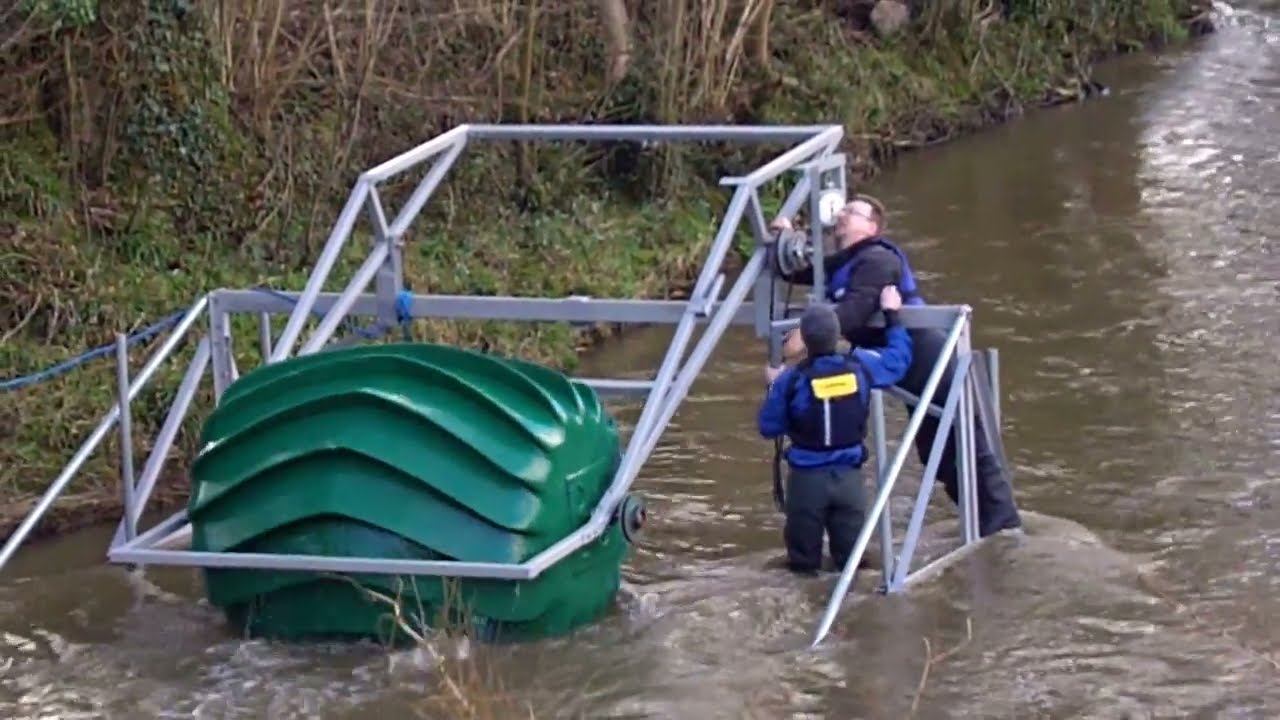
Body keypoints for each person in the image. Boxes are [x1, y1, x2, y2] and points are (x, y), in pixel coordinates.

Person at [770, 194, 1023, 537]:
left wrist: (807, 333)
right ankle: (984, 527)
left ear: (873, 226)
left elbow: (856, 309)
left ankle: (1004, 527)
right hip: (901, 355)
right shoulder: (847, 261)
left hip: (926, 354)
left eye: (851, 211)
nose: (841, 214)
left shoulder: (878, 259)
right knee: (937, 452)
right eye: (842, 209)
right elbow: (797, 271)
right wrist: (781, 241)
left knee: (961, 443)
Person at [756, 289, 913, 575]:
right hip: (848, 481)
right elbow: (898, 361)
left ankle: (807, 614)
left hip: (806, 484)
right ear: (837, 335)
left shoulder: (791, 380)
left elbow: (768, 428)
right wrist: (892, 315)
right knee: (853, 567)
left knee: (802, 569)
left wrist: (773, 386)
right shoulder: (861, 367)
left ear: (804, 339)